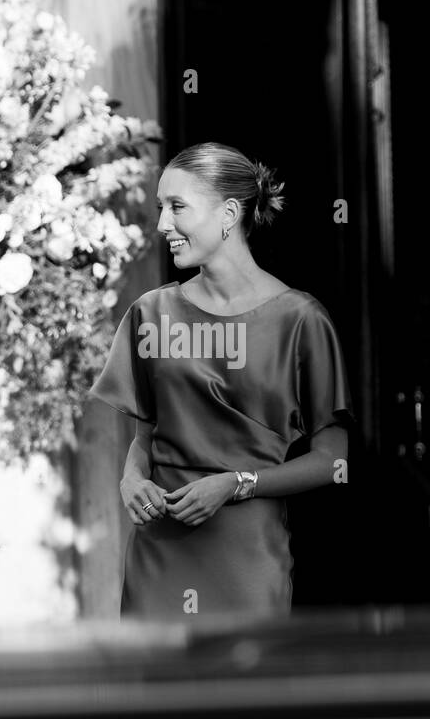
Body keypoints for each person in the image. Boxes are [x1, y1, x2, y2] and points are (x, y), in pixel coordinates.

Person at [89, 142, 353, 619]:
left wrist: (237, 483)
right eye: (160, 208)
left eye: (177, 207)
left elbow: (332, 462)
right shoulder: (151, 313)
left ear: (229, 213)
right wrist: (131, 479)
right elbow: (144, 438)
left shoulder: (301, 319)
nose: (162, 224)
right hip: (159, 554)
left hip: (248, 558)